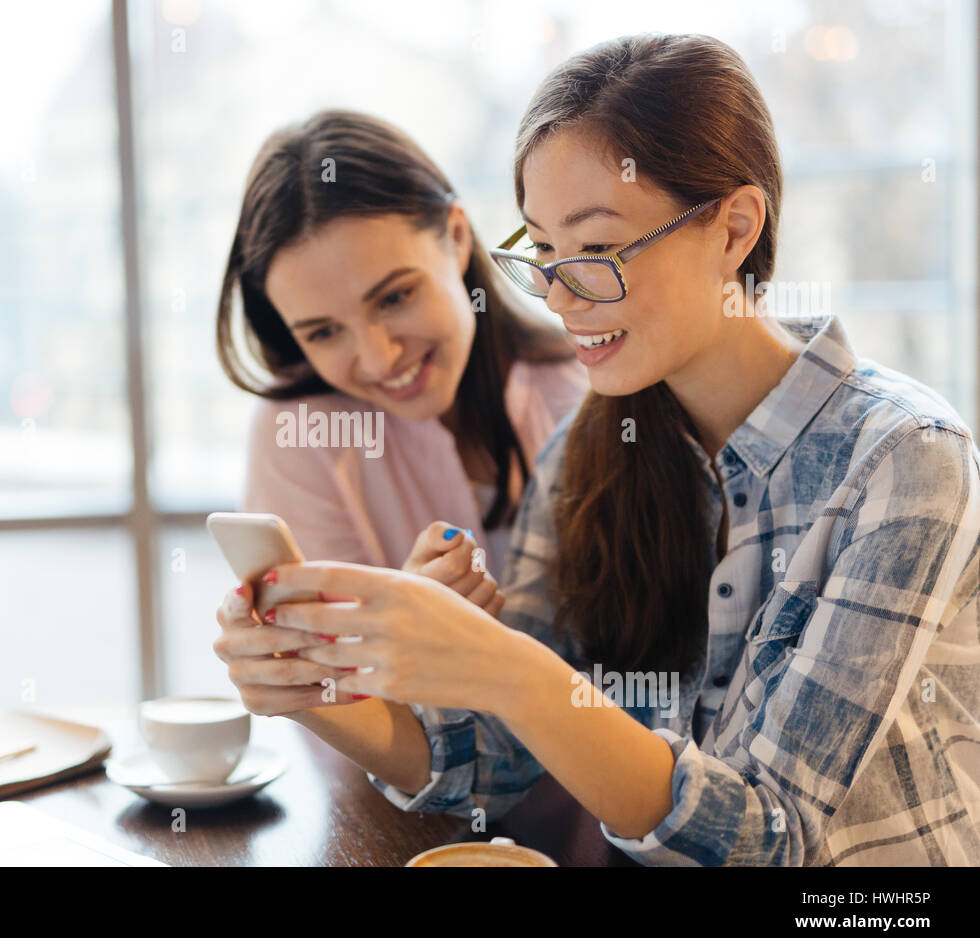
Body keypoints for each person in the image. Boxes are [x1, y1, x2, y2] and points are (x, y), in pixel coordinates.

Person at [214, 33, 980, 866]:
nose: (560, 296)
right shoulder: (590, 449)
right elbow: (490, 763)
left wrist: (499, 663)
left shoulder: (905, 460)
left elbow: (772, 838)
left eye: (599, 248)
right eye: (544, 251)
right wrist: (311, 688)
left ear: (734, 227)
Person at [217, 109, 589, 588]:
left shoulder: (582, 387)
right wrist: (405, 621)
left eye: (394, 298)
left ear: (456, 237)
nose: (379, 359)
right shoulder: (301, 432)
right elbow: (318, 657)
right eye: (323, 332)